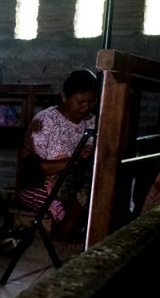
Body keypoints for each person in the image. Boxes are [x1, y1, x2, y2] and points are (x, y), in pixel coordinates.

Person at [16, 68, 99, 242]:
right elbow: (33, 169)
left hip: (76, 185)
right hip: (40, 186)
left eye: (91, 102)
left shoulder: (93, 122)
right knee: (87, 185)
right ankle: (66, 227)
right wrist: (75, 160)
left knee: (96, 179)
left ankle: (70, 226)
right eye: (80, 102)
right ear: (64, 97)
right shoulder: (45, 121)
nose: (86, 108)